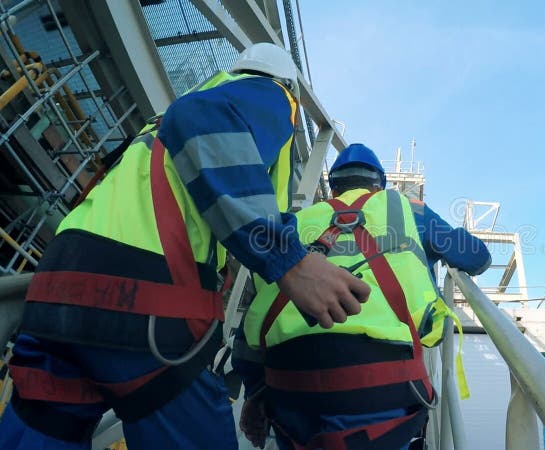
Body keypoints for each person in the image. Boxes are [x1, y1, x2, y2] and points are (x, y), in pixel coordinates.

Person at [0, 43, 369, 450]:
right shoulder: (267, 93)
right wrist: (289, 261)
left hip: (59, 282)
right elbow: (204, 120)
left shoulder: (168, 117)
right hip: (140, 296)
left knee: (39, 428)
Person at [234, 143, 490, 450]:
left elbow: (255, 309)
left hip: (288, 385)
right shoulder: (407, 208)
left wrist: (254, 393)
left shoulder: (296, 220)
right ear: (378, 183)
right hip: (385, 386)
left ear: (333, 187)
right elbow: (477, 258)